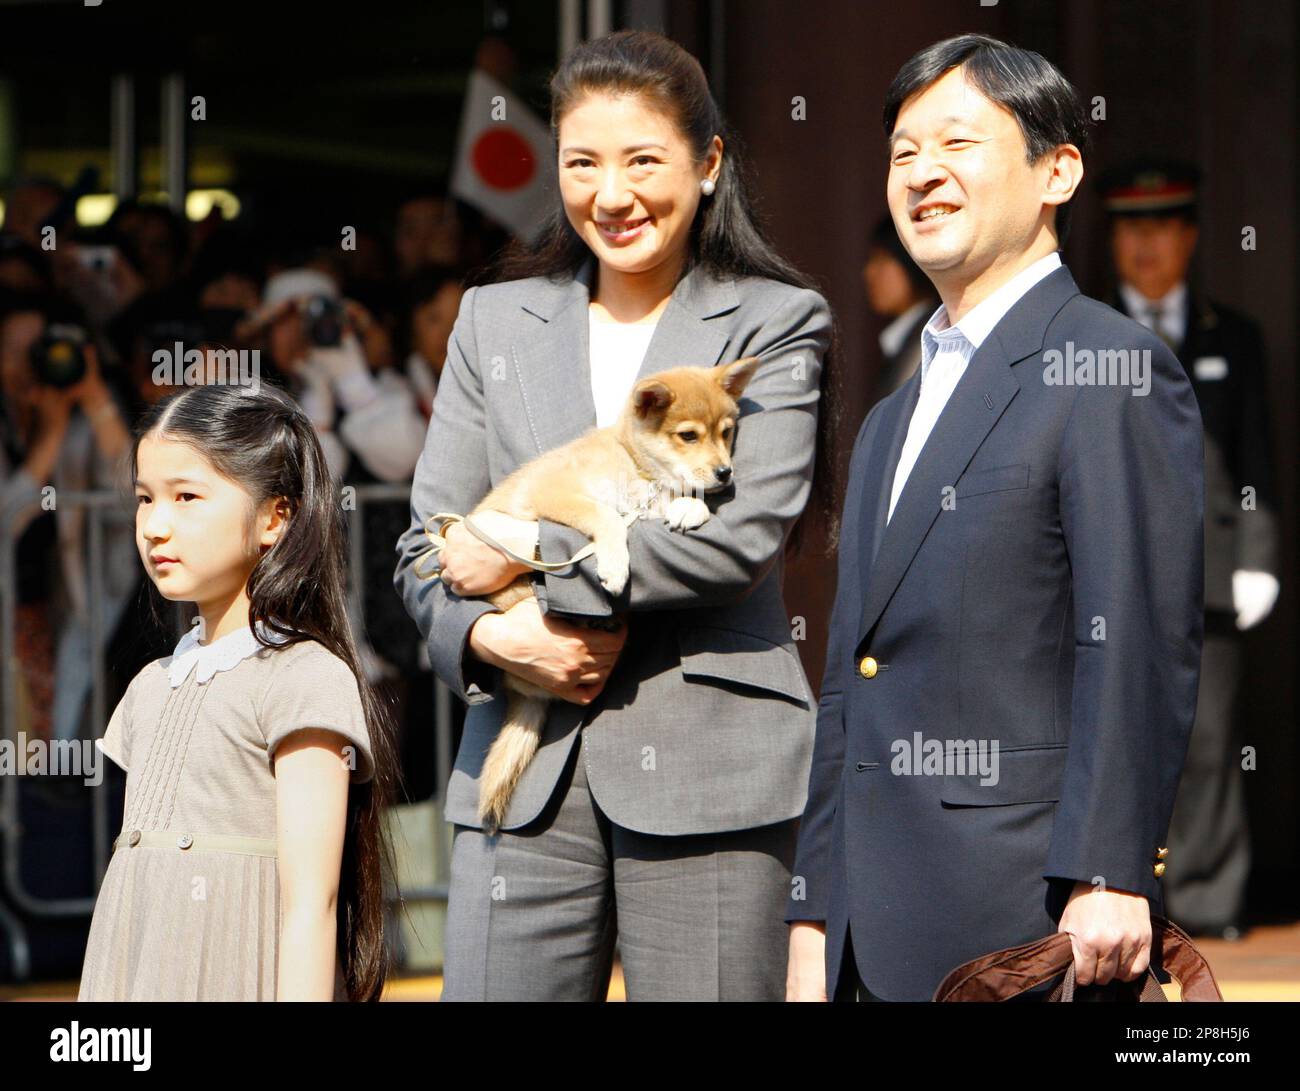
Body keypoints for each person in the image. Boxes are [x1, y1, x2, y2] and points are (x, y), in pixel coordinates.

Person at [393, 28, 840, 1001]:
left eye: (643, 160)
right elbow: (426, 549)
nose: (612, 193)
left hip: (710, 768)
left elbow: (739, 533)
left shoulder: (774, 319)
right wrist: (496, 638)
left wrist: (526, 550)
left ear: (709, 162)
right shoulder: (493, 319)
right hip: (520, 774)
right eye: (582, 163)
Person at [785, 34, 1204, 1002]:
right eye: (901, 151)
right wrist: (811, 911)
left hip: (1023, 915)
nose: (921, 173)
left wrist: (1109, 871)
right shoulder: (892, 414)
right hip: (863, 930)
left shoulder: (1104, 364)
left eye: (957, 143)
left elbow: (1135, 636)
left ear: (1057, 169)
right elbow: (850, 680)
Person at [78, 382, 399, 1001]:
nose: (155, 526)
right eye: (145, 498)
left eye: (187, 497)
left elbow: (313, 903)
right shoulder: (150, 686)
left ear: (276, 517)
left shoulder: (303, 675)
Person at [1101, 160, 1279, 941]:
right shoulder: (1080, 328)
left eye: (1163, 225)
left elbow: (1257, 460)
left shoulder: (1232, 336)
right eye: (1132, 227)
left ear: (1191, 235)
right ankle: (1122, 894)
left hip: (1208, 573)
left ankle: (1204, 902)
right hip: (1104, 573)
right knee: (1109, 735)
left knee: (1209, 744)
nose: (1147, 244)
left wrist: (1259, 557)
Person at [863, 214, 936, 402]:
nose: (869, 272)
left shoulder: (933, 336)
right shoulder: (905, 336)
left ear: (911, 260)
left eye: (882, 259)